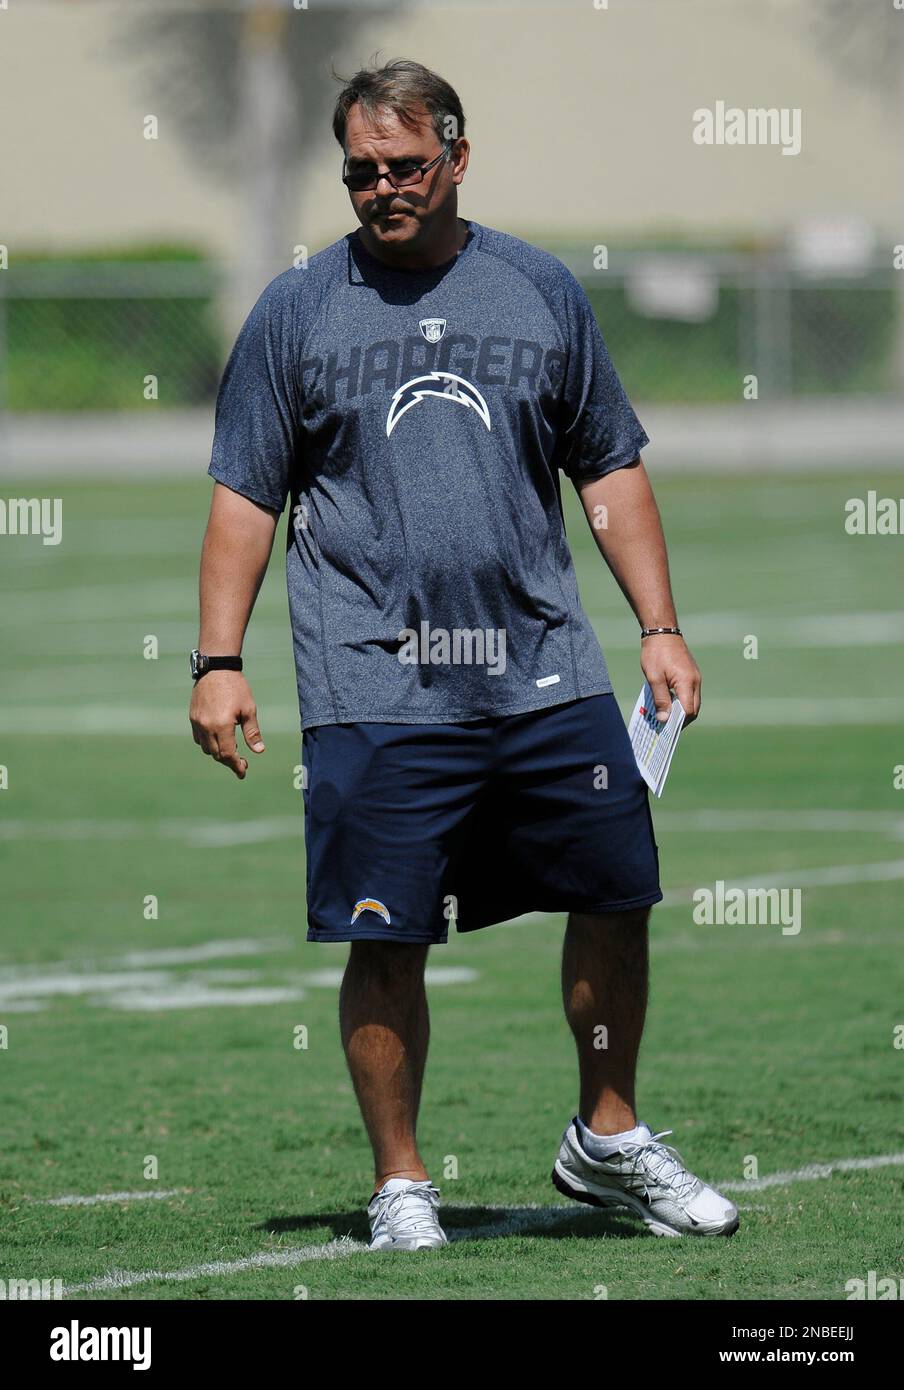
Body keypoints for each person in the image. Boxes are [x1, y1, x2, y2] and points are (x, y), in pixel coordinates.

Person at [189, 58, 739, 1250]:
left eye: (405, 164)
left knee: (614, 888)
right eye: (360, 171)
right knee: (383, 933)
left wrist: (658, 624)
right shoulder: (295, 310)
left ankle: (607, 1134)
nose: (382, 187)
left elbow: (607, 465)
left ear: (457, 155)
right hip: (372, 678)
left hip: (540, 668)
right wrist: (215, 660)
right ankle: (401, 1183)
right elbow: (244, 495)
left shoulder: (538, 289)